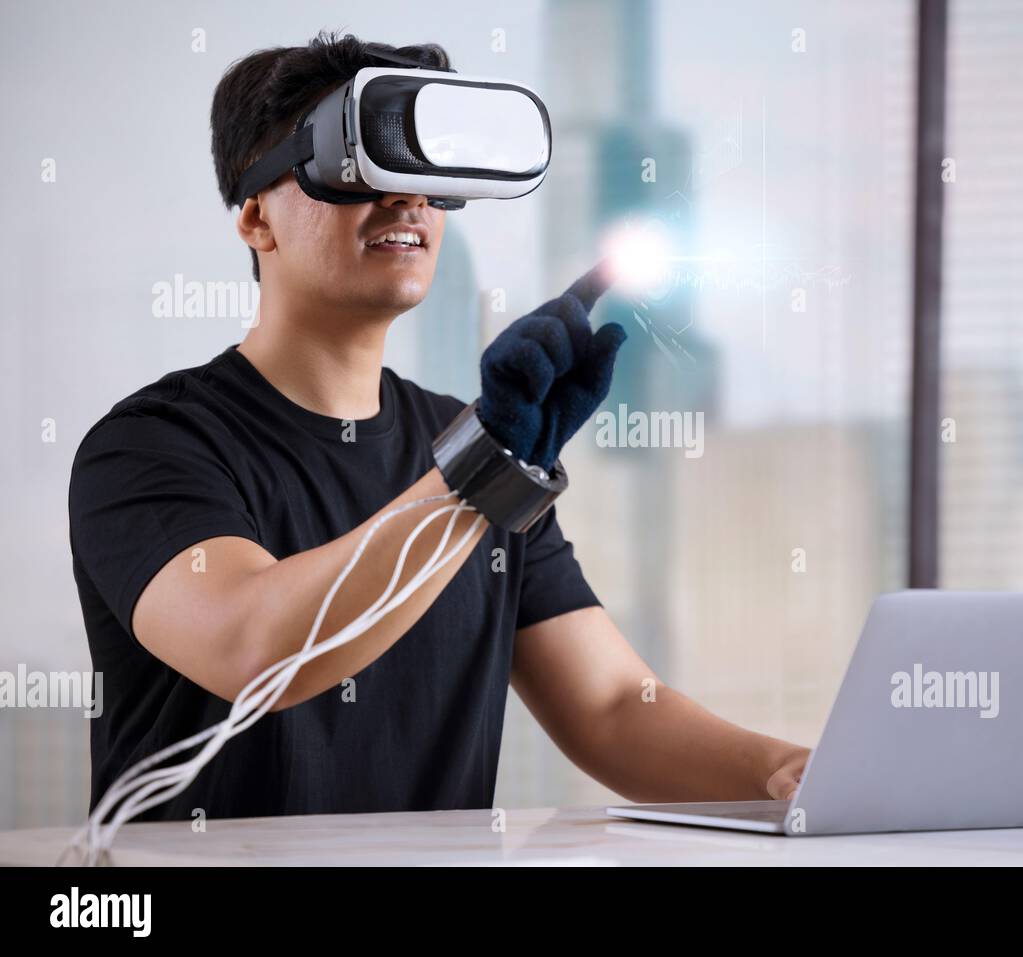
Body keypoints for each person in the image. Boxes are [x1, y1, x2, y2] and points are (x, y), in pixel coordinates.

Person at [68, 32, 808, 821]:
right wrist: (480, 470)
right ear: (256, 218)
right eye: (360, 168)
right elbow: (255, 649)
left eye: (425, 174)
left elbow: (614, 706)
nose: (407, 199)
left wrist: (788, 769)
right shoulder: (148, 447)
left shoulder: (478, 438)